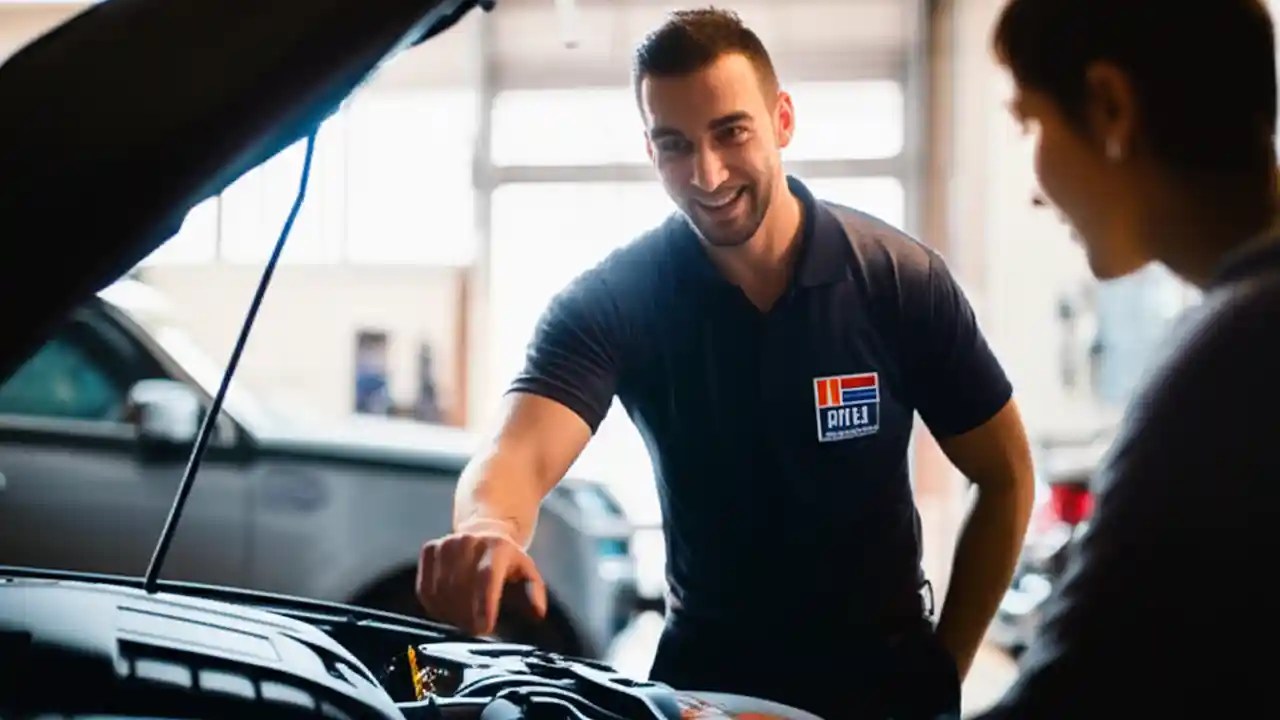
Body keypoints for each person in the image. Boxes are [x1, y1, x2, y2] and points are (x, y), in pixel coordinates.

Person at [417, 8, 1036, 718]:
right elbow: (515, 454)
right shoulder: (619, 300)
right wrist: (489, 529)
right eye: (675, 144)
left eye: (730, 132)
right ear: (651, 152)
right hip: (709, 688)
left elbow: (1006, 474)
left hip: (885, 684)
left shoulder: (897, 281)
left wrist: (943, 672)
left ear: (782, 121)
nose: (706, 174)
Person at [975, 1, 1280, 717]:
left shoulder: (1233, 355)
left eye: (1033, 125)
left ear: (1112, 110)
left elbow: (1071, 697)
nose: (1034, 188)